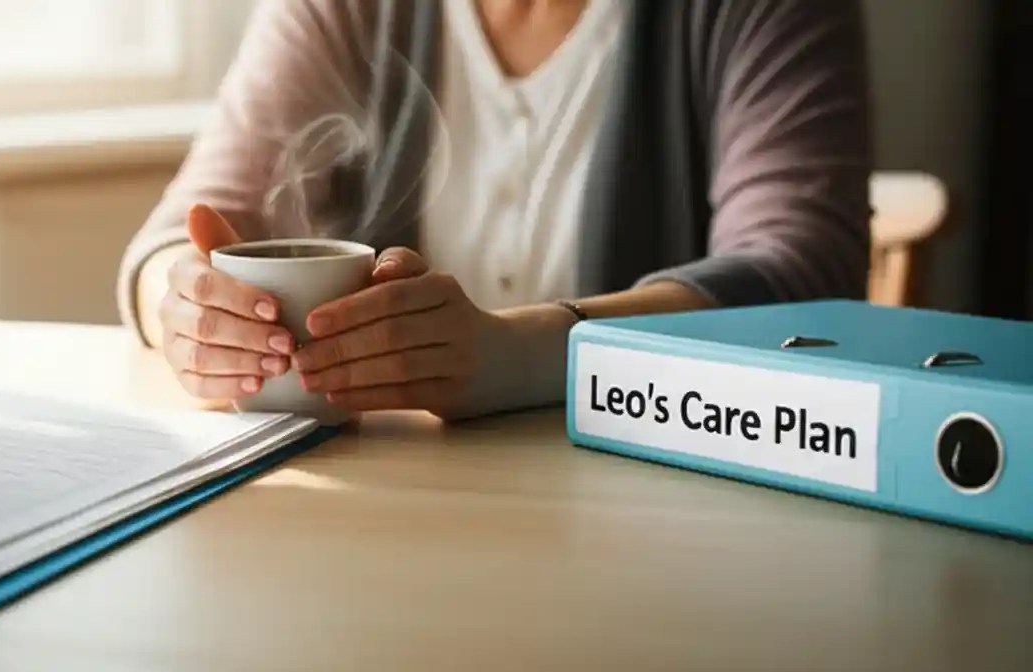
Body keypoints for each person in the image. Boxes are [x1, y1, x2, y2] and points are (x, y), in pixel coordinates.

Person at [116, 0, 872, 420]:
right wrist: (185, 311)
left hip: (651, 524)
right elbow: (175, 240)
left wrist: (524, 353)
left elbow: (800, 270)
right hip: (388, 517)